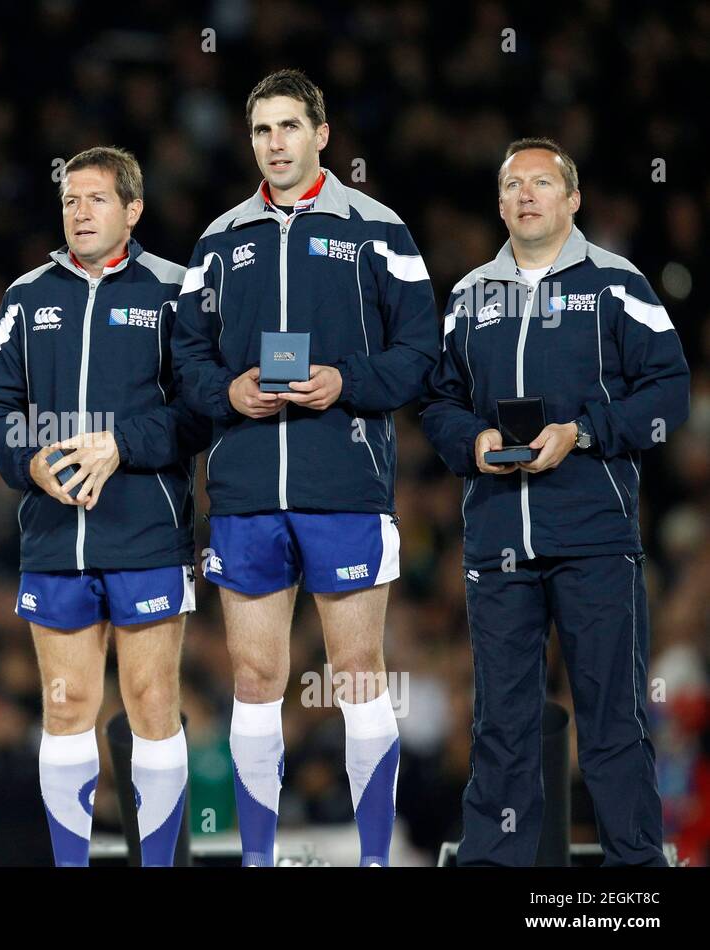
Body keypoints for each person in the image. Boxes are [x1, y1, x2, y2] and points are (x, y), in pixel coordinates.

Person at [172, 70, 439, 867]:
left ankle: (373, 859)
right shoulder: (219, 240)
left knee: (358, 672)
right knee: (256, 677)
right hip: (248, 488)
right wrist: (229, 389)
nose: (275, 143)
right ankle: (256, 857)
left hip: (343, 481)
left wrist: (345, 382)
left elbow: (421, 351)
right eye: (261, 130)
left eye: (289, 127)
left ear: (321, 134)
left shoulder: (378, 229)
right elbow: (184, 360)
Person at [420, 138, 690, 866]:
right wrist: (471, 441)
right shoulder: (470, 294)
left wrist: (587, 432)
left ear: (573, 200)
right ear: (501, 203)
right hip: (498, 543)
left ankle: (635, 874)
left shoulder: (618, 283)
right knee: (501, 724)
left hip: (595, 537)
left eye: (543, 182)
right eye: (513, 184)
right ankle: (495, 864)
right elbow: (438, 402)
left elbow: (669, 394)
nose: (527, 194)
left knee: (613, 720)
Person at [0, 146, 210, 867]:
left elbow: (199, 413)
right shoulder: (25, 296)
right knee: (65, 707)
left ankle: (161, 861)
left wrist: (120, 446)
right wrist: (28, 463)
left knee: (150, 705)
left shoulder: (173, 292)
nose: (80, 212)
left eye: (96, 200)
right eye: (70, 201)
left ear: (133, 210)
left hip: (145, 533)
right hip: (54, 537)